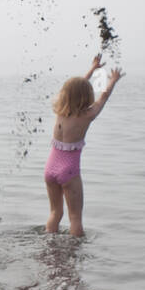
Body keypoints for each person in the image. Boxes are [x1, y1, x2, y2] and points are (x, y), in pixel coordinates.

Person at [44, 54, 122, 237]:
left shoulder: (59, 110)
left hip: (49, 169)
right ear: (87, 96)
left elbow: (71, 92)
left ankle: (49, 245)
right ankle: (74, 255)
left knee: (55, 213)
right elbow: (103, 95)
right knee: (75, 218)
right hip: (68, 171)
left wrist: (92, 69)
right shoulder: (86, 116)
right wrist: (112, 80)